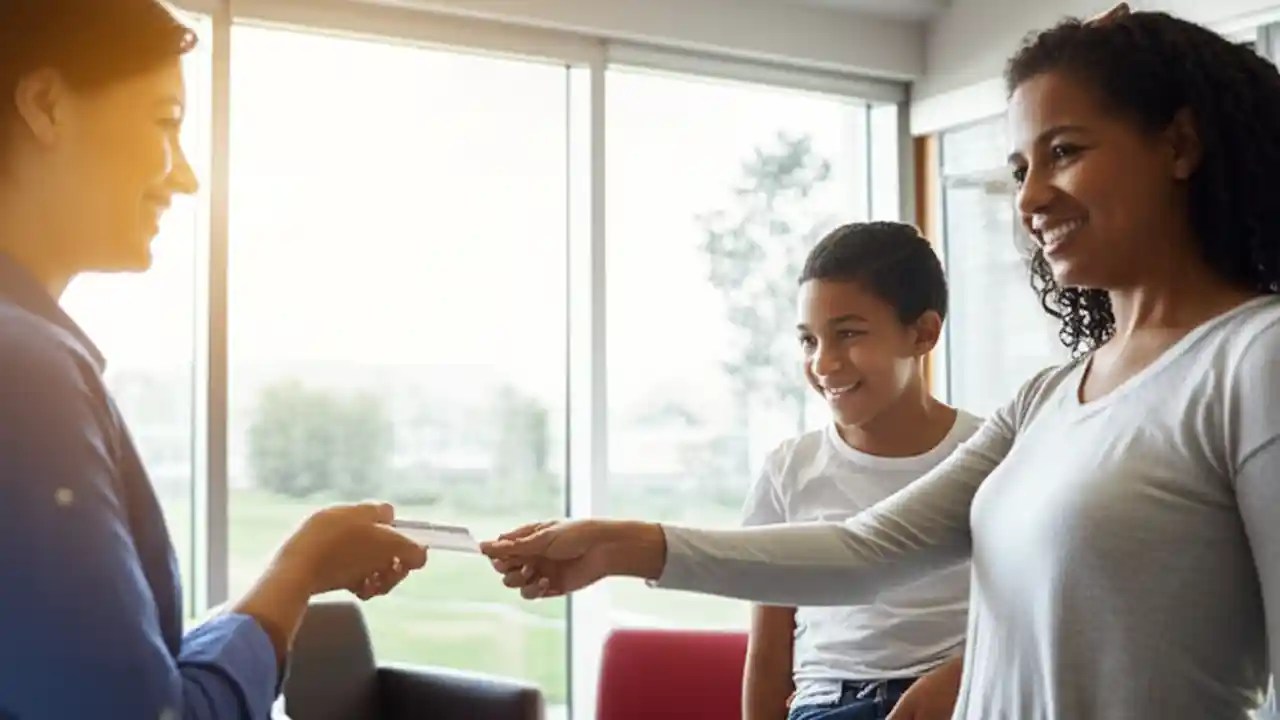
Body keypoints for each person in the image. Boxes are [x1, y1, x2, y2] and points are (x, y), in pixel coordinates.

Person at [484, 5, 1280, 719]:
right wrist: (624, 545)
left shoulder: (1254, 359)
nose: (1031, 198)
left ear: (1178, 145)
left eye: (1063, 151)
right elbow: (867, 551)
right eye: (1018, 170)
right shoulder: (1046, 398)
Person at [0, 2, 427, 718]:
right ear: (46, 105)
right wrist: (296, 574)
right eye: (166, 122)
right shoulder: (26, 371)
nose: (188, 177)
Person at [739, 222, 977, 720]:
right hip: (828, 704)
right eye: (809, 341)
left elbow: (1033, 613)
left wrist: (960, 682)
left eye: (848, 334)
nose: (823, 364)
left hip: (960, 697)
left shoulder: (987, 454)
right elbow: (767, 654)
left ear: (923, 333)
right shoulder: (790, 470)